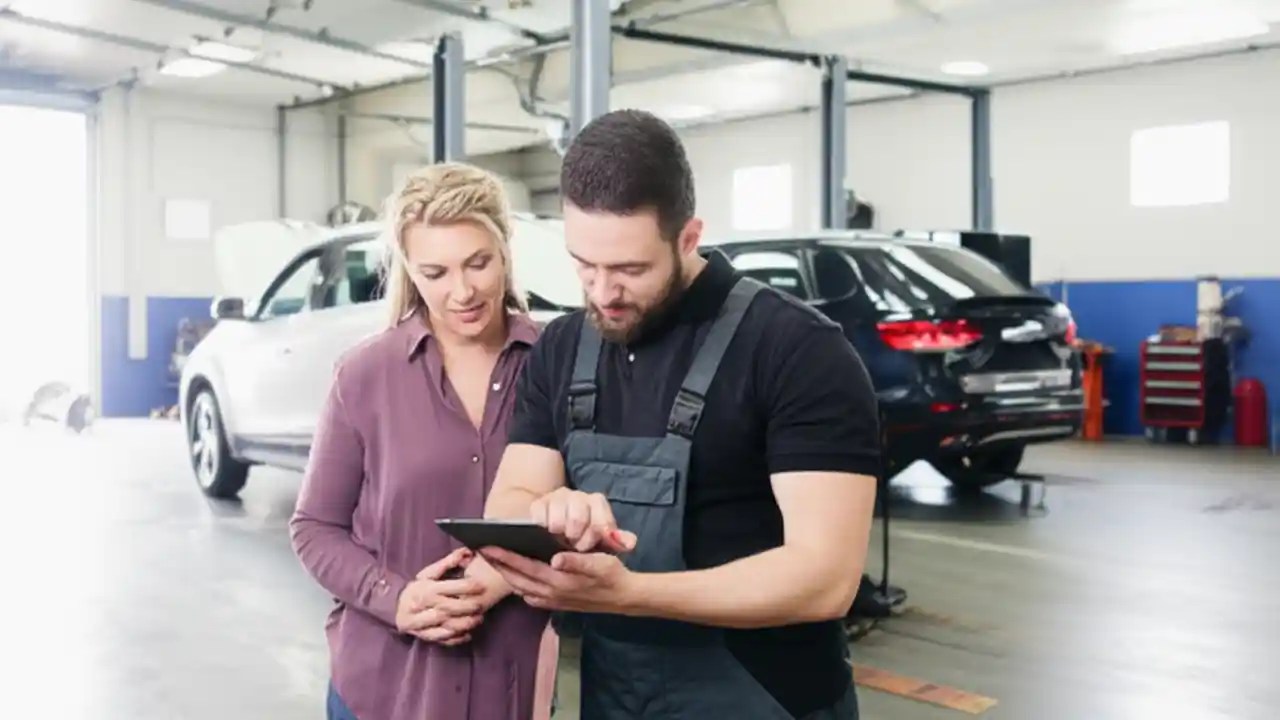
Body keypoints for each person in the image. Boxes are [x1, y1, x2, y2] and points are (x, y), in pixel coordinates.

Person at [480, 108, 882, 719]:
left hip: (769, 697)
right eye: (584, 264)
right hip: (617, 698)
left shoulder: (796, 349)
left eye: (630, 269)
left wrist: (632, 593)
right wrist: (546, 514)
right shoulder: (563, 348)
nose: (602, 292)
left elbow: (825, 576)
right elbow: (509, 495)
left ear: (689, 237)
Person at [289, 163, 557, 720]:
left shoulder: (557, 363)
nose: (462, 291)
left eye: (478, 263)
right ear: (409, 269)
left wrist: (505, 575)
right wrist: (397, 598)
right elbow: (315, 528)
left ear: (505, 248)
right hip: (384, 687)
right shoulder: (364, 375)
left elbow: (587, 514)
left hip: (512, 688)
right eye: (435, 272)